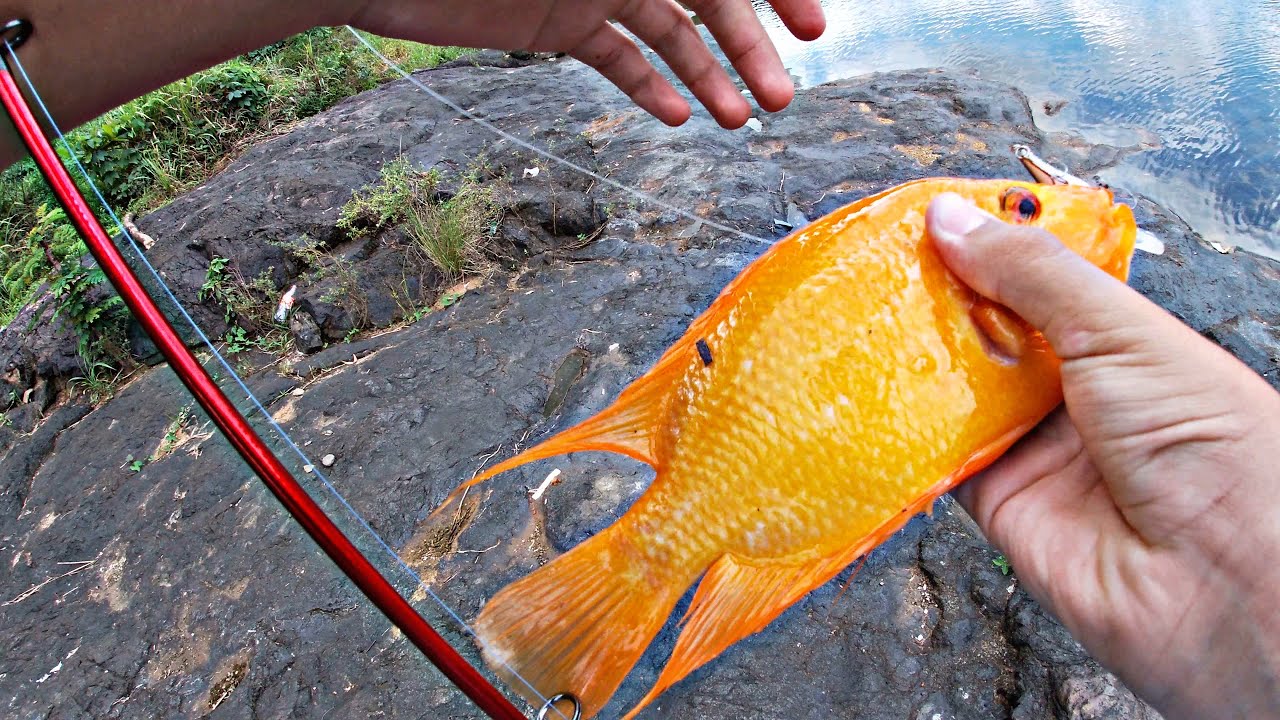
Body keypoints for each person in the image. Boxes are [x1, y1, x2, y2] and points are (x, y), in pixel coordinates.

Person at [0, 2, 1275, 718]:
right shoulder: (978, 286)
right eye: (1019, 212)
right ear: (991, 255)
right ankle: (619, 597)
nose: (1045, 211)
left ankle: (615, 605)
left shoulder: (1022, 325)